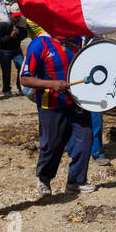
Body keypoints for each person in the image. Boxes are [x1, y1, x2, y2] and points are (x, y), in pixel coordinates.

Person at [21, 30, 94, 197]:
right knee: (52, 144)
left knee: (84, 139)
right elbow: (25, 79)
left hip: (79, 101)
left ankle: (76, 181)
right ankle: (44, 178)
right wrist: (51, 84)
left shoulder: (77, 38)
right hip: (51, 103)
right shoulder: (40, 44)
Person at [0, 3, 30, 96]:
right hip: (4, 51)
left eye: (19, 16)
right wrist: (11, 36)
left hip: (16, 49)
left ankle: (21, 88)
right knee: (6, 71)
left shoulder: (21, 22)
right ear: (10, 14)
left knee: (21, 67)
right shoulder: (2, 24)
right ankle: (6, 89)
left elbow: (24, 35)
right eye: (15, 16)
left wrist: (18, 34)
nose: (17, 18)